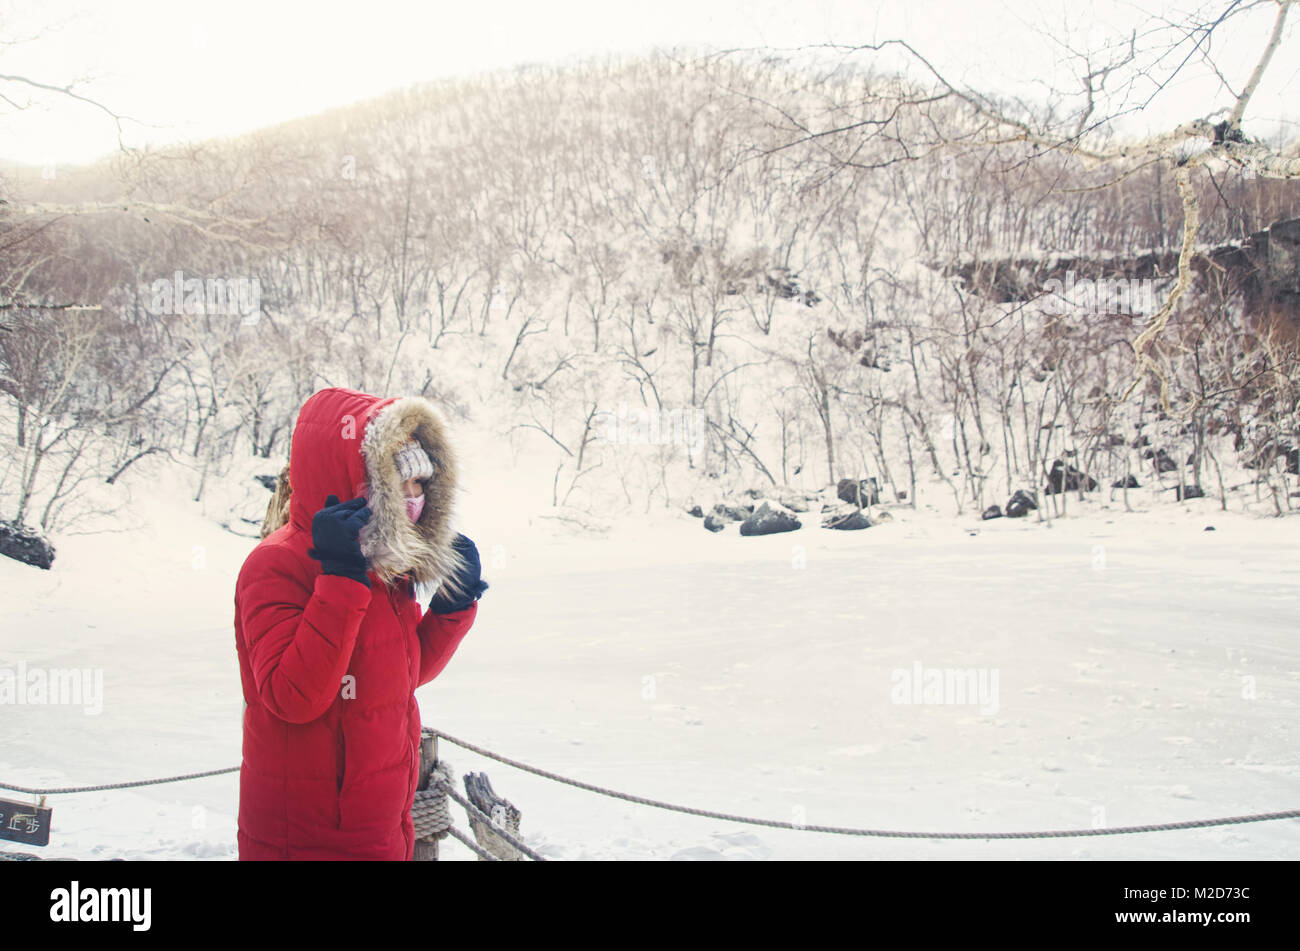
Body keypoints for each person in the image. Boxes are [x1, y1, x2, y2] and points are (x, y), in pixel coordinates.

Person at [234, 386, 487, 860]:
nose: (412, 498)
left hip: (384, 824)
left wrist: (453, 608)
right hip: (308, 837)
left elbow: (400, 677)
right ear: (355, 479)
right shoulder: (275, 566)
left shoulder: (384, 563)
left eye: (420, 486)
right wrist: (340, 579)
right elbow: (293, 696)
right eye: (400, 483)